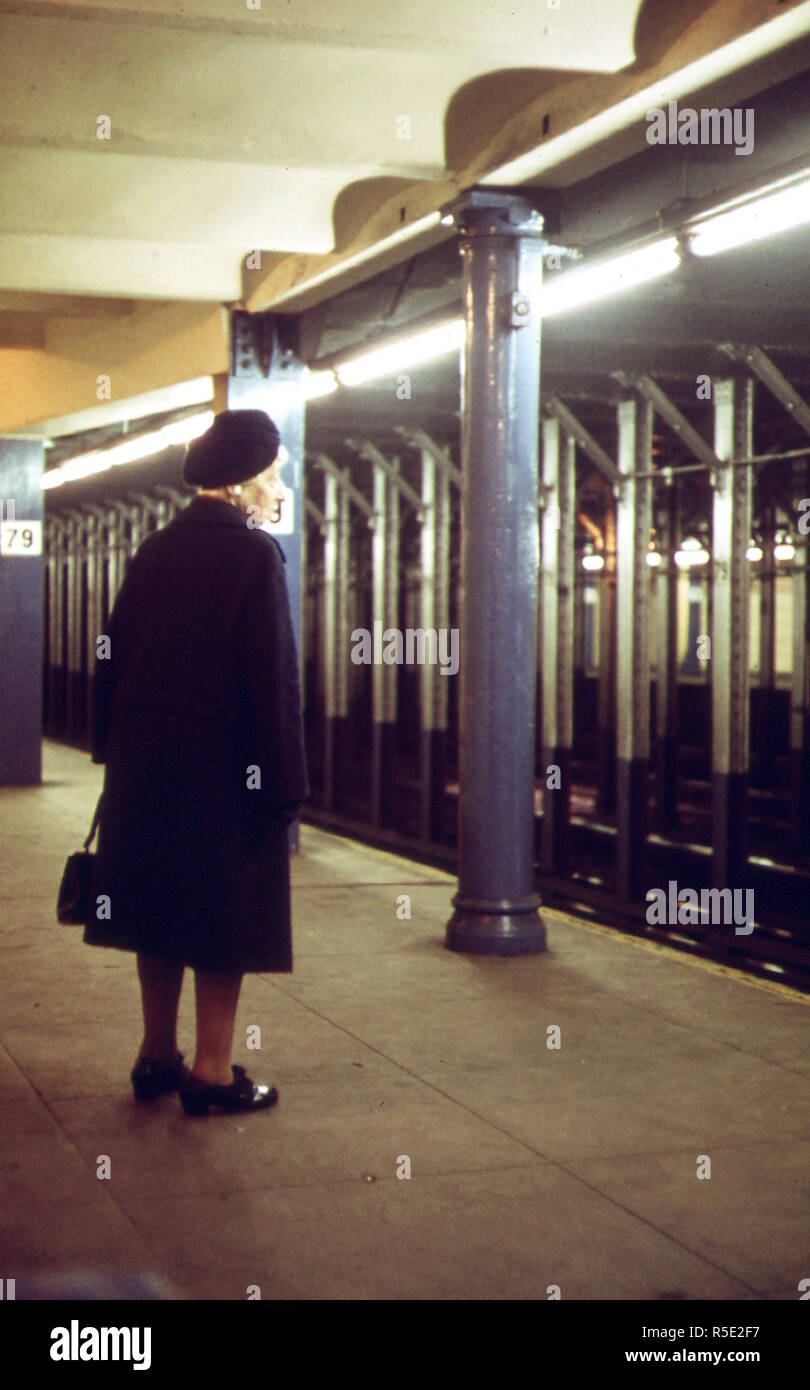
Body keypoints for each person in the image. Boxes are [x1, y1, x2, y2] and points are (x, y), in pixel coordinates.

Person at [86, 409, 309, 1116]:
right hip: (225, 775)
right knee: (224, 920)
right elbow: (273, 681)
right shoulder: (253, 554)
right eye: (273, 474)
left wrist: (110, 751)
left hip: (147, 770)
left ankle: (156, 1056)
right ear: (242, 481)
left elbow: (110, 655)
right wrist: (283, 782)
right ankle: (212, 1074)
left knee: (155, 907)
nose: (279, 487)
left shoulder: (156, 549)